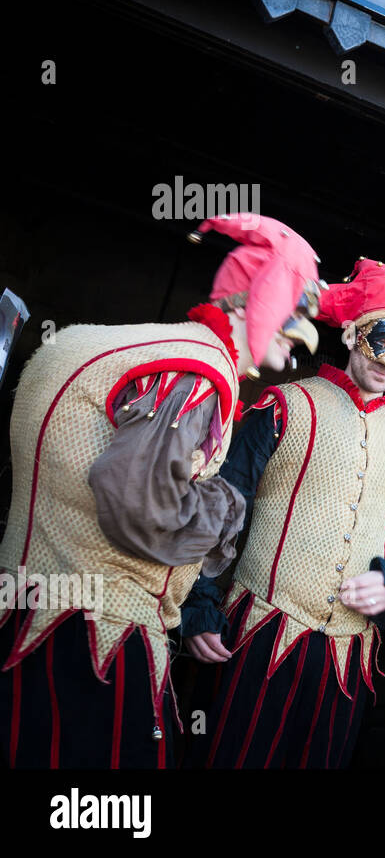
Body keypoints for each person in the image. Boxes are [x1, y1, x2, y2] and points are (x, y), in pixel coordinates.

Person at [0, 212, 321, 768]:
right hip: (97, 634)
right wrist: (226, 506)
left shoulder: (134, 343)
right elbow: (137, 499)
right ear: (249, 304)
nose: (308, 331)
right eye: (295, 307)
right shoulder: (198, 369)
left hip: (26, 610)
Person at [181, 257, 385, 769]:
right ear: (350, 333)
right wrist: (198, 604)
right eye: (381, 340)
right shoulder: (285, 405)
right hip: (256, 634)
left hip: (347, 661)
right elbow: (217, 507)